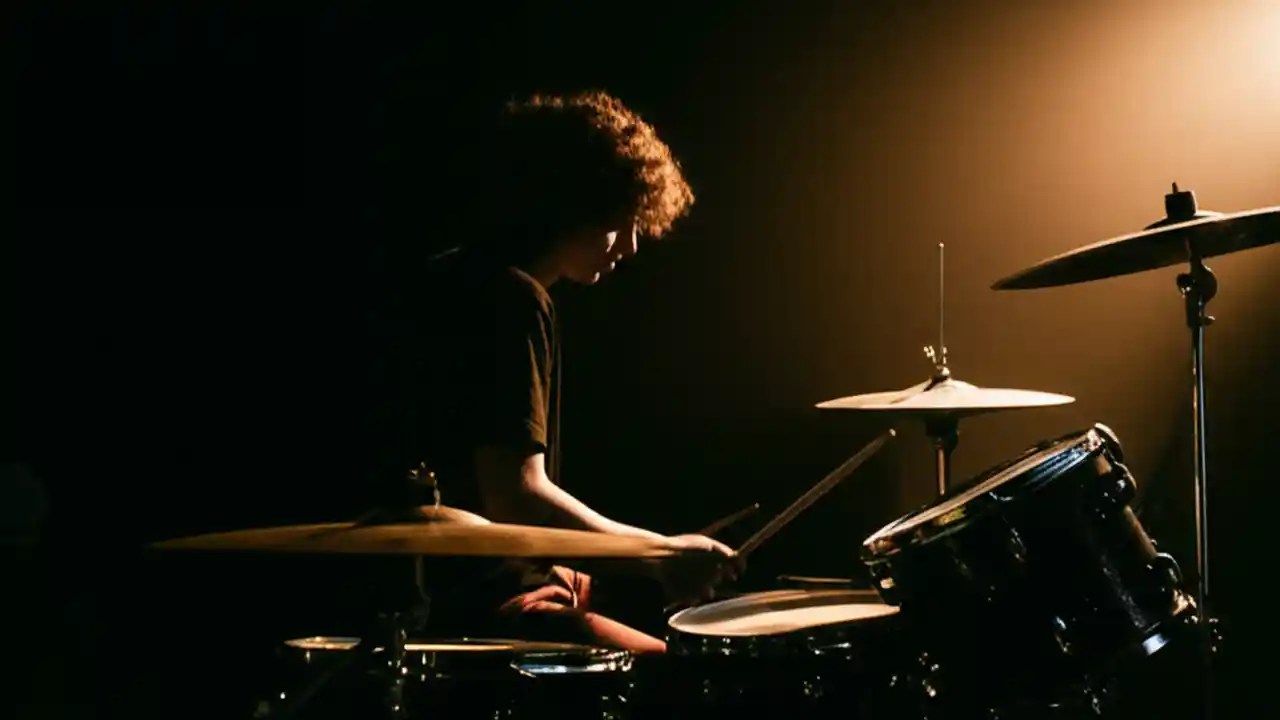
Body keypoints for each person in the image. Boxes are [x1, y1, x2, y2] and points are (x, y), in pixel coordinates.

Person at [370, 90, 738, 653]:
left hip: (434, 592)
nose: (632, 245)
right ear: (573, 203)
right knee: (691, 677)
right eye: (622, 220)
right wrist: (660, 555)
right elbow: (516, 499)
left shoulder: (449, 278)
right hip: (486, 607)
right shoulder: (513, 300)